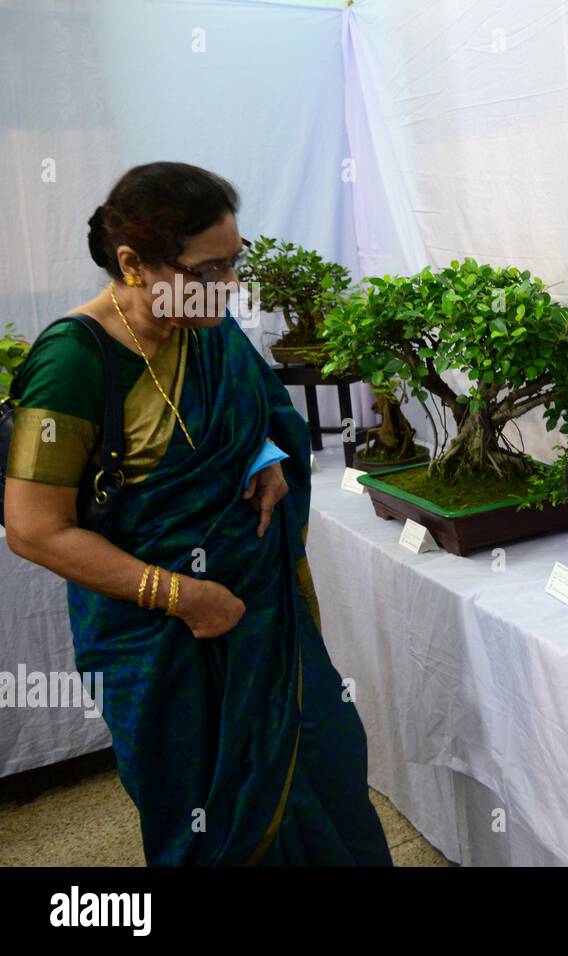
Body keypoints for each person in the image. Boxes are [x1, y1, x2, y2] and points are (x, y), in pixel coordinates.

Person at [3, 162, 392, 866]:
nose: (232, 288)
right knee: (210, 813)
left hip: (261, 611)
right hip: (163, 639)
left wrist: (263, 457)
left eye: (234, 264)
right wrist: (183, 596)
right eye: (208, 270)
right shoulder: (71, 361)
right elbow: (34, 529)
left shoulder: (203, 323)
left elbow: (250, 417)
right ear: (133, 265)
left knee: (326, 761)